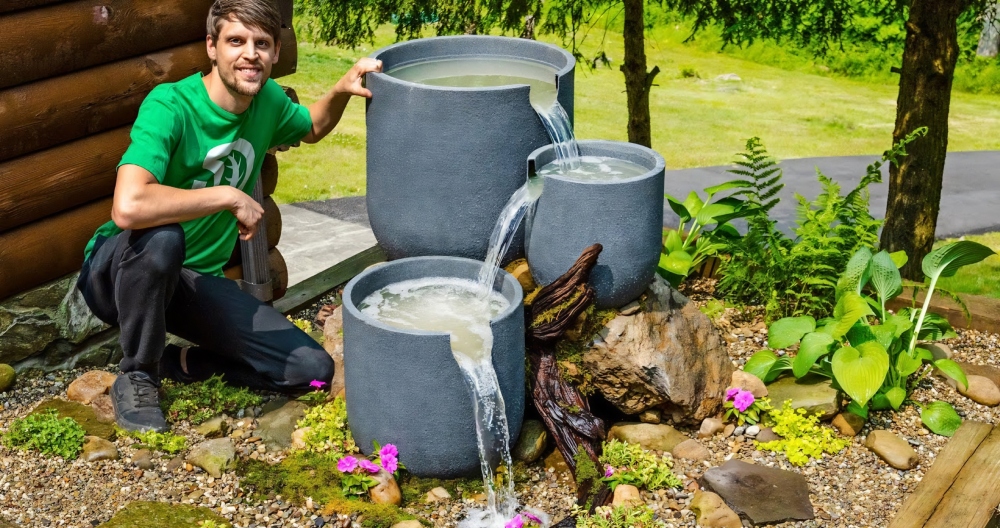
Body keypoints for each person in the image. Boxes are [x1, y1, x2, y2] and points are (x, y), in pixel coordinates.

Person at [76, 0, 382, 432]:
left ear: (275, 52)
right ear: (211, 47)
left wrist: (340, 90)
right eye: (235, 41)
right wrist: (226, 196)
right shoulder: (171, 105)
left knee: (309, 369)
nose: (249, 54)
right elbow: (128, 206)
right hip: (119, 271)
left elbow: (310, 127)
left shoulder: (269, 101)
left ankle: (176, 360)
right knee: (164, 238)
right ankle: (137, 374)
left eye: (262, 43)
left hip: (192, 281)